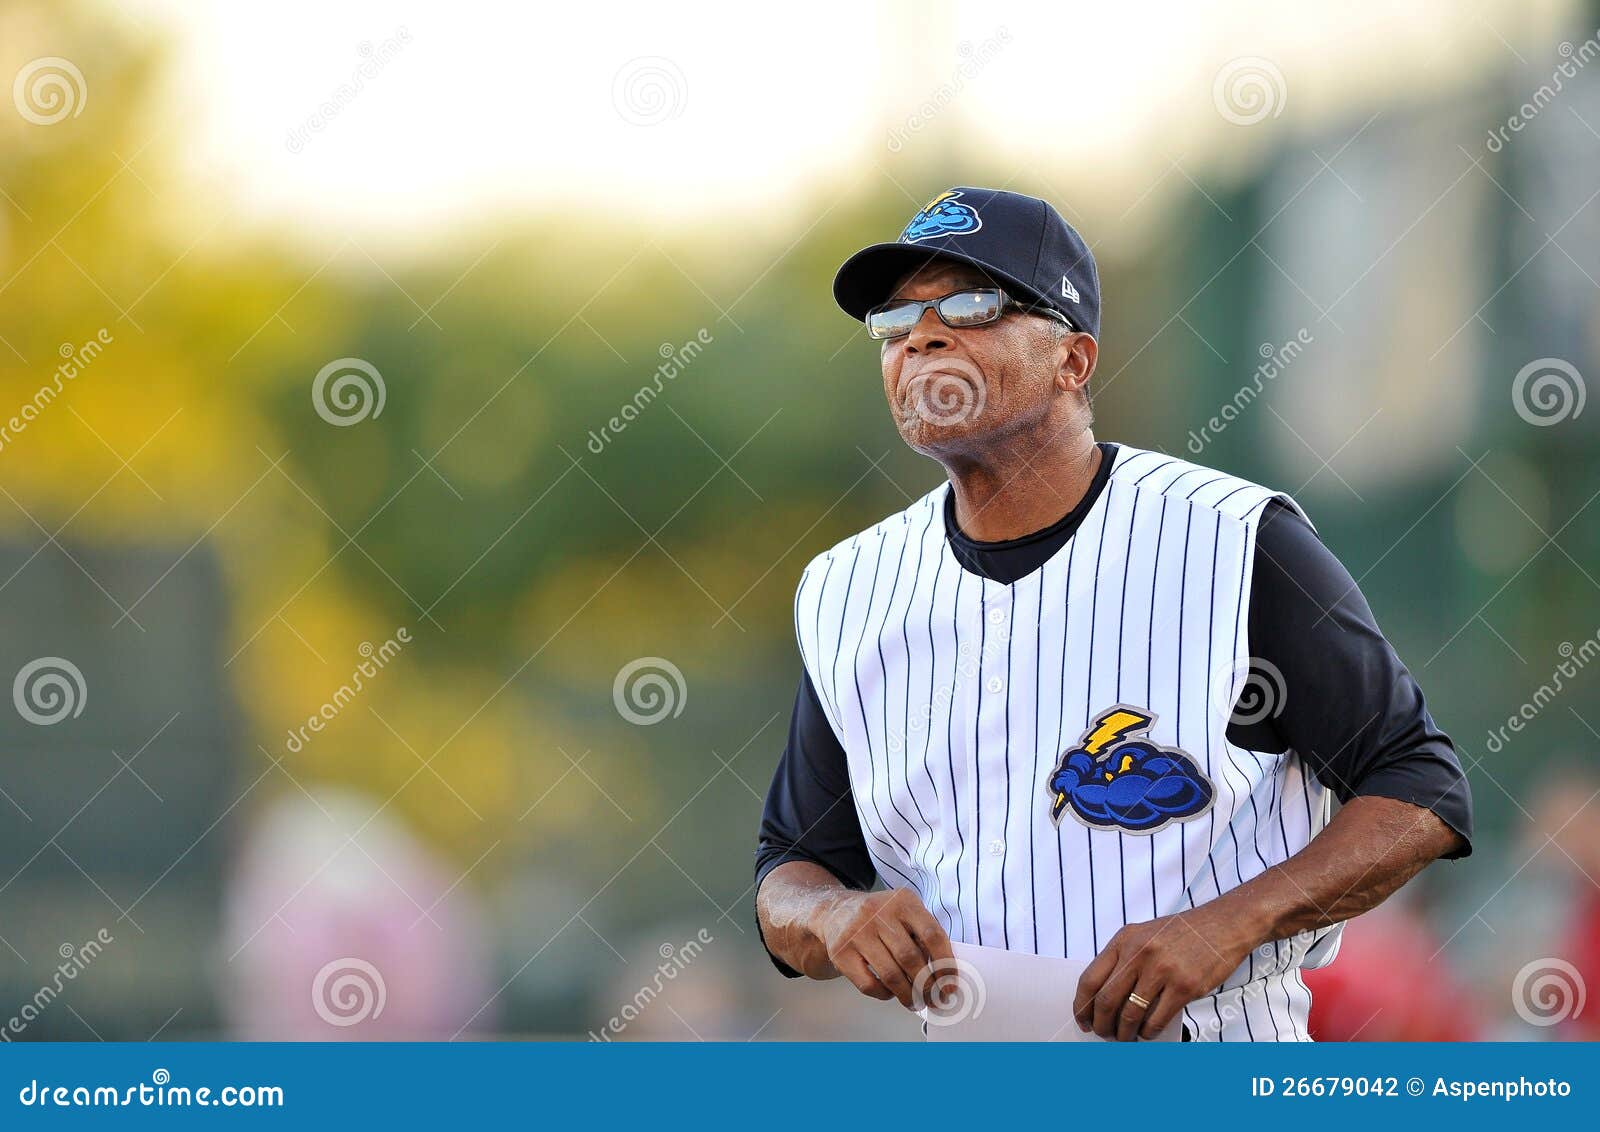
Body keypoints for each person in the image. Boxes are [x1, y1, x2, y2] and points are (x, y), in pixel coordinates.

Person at [753, 187, 1473, 1041]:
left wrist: (1230, 920)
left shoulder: (1236, 539)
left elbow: (1420, 788)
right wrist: (834, 918)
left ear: (1074, 359)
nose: (923, 335)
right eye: (895, 320)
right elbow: (789, 870)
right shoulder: (848, 587)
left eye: (971, 304)